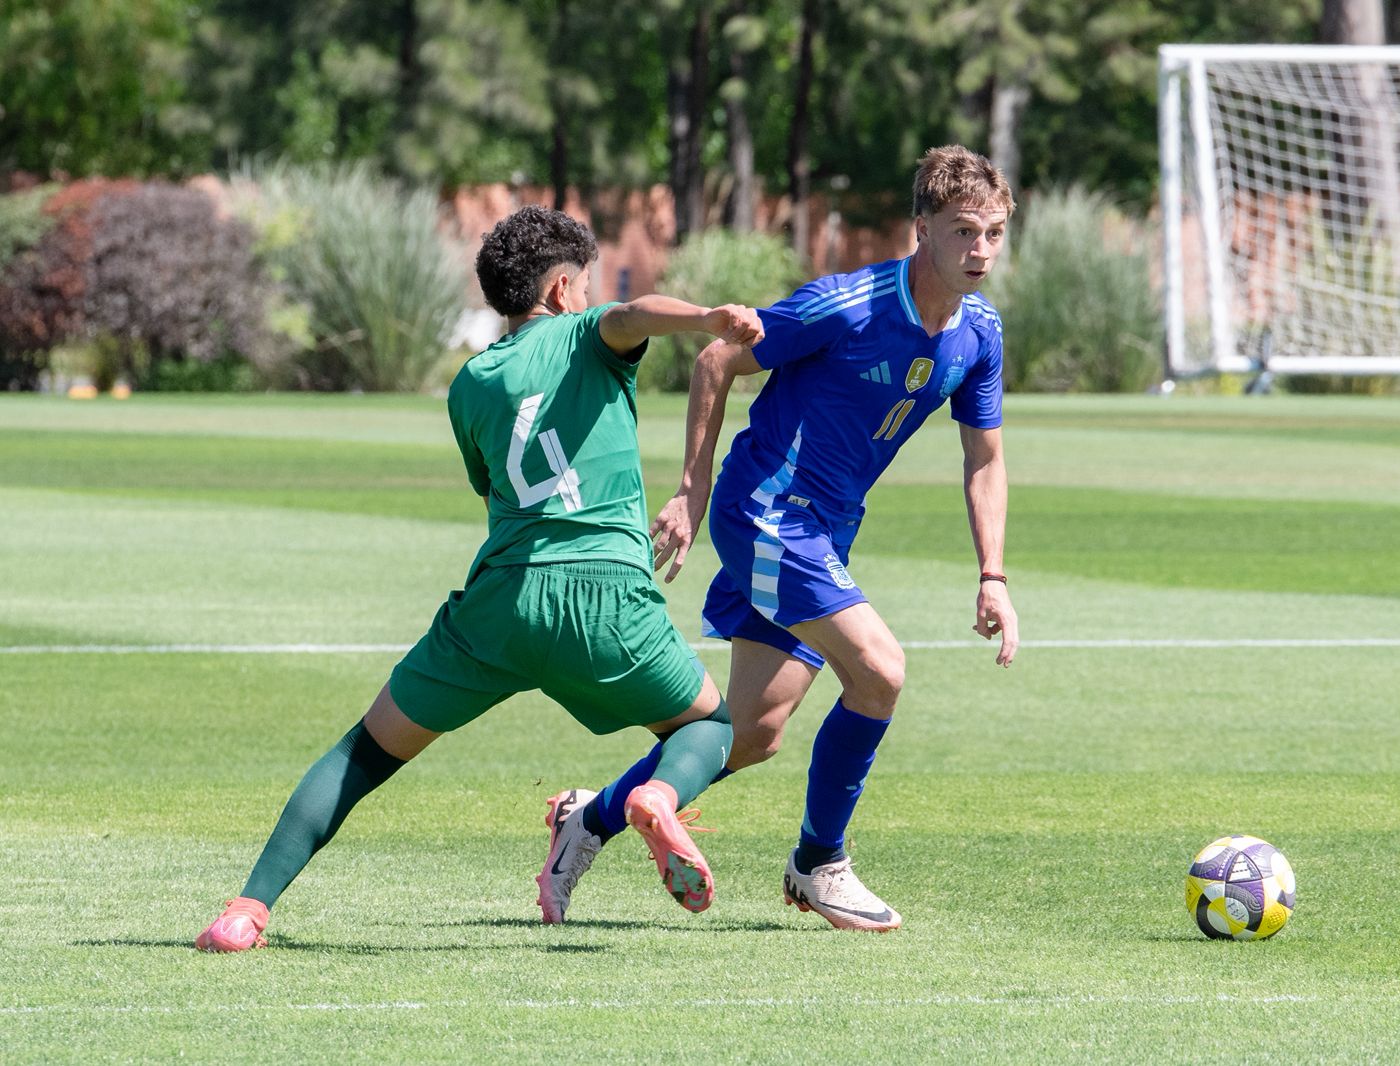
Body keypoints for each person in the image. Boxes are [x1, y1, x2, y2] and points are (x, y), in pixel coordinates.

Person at [195, 205, 764, 951]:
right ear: (562, 290)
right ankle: (655, 794)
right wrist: (704, 316)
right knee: (712, 726)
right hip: (606, 598)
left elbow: (495, 488)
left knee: (363, 753)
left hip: (502, 602)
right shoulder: (582, 332)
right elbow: (633, 314)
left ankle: (246, 910)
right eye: (583, 286)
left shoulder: (471, 385)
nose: (589, 300)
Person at [550, 145, 1019, 933]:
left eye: (996, 233)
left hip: (823, 533)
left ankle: (590, 817)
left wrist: (993, 575)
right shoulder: (847, 304)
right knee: (879, 672)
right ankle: (819, 863)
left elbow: (985, 459)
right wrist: (691, 491)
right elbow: (716, 357)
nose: (981, 251)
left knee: (753, 732)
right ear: (922, 229)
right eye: (964, 231)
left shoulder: (979, 334)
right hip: (765, 510)